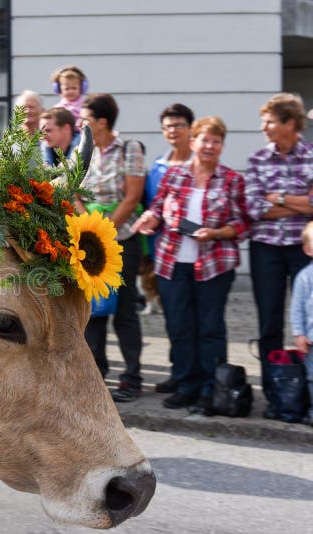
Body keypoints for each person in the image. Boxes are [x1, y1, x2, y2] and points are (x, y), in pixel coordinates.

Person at [133, 116, 248, 413]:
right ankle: (186, 385)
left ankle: (211, 388)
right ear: (193, 142)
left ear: (222, 145)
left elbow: (242, 224)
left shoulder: (232, 179)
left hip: (214, 265)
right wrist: (150, 218)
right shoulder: (174, 175)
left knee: (210, 328)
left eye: (216, 141)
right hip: (173, 262)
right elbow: (157, 208)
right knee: (179, 327)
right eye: (205, 140)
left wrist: (217, 233)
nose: (210, 146)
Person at [243, 93, 313, 420]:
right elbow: (255, 208)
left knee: (309, 321)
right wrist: (300, 202)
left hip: (305, 248)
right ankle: (275, 395)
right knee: (269, 322)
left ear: (290, 123)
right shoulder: (258, 159)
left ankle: (308, 394)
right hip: (266, 248)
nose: (264, 127)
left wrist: (280, 197)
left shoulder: (312, 155)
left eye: (270, 121)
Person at [76, 93, 145, 402]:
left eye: (85, 117)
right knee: (95, 310)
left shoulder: (129, 148)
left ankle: (131, 375)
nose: (80, 122)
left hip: (122, 239)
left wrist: (107, 231)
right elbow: (74, 189)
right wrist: (90, 230)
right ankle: (96, 375)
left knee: (125, 309)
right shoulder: (83, 149)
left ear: (102, 122)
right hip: (91, 237)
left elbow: (132, 196)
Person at [143, 103, 196, 392]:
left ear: (191, 128)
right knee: (175, 322)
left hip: (201, 255)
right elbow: (154, 206)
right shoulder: (158, 167)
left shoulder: (201, 163)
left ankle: (204, 379)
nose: (173, 131)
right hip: (165, 255)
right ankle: (181, 376)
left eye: (178, 125)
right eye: (167, 126)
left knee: (202, 323)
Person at [290, 221, 313, 427]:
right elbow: (297, 308)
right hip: (311, 340)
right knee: (312, 377)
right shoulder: (305, 277)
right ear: (307, 250)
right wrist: (298, 333)